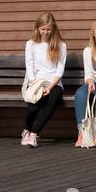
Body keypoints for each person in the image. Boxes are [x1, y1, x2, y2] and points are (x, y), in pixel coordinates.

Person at [22, 12, 67, 147]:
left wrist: (49, 87)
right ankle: (27, 130)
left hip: (54, 84)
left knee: (50, 103)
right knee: (33, 107)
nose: (45, 32)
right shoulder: (31, 44)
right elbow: (29, 65)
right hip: (36, 82)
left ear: (53, 29)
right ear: (37, 28)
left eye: (48, 29)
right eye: (43, 29)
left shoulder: (61, 45)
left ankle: (33, 134)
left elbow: (59, 70)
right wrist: (35, 84)